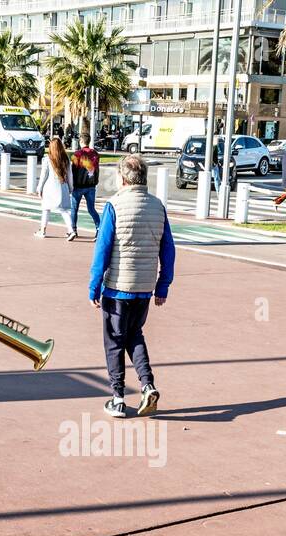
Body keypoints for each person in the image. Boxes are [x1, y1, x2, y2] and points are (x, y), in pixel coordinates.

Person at [88, 154, 175, 420]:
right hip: (144, 286)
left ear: (122, 178)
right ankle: (147, 384)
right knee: (134, 335)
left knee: (114, 341)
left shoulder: (114, 205)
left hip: (117, 287)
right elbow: (168, 249)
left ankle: (117, 397)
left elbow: (102, 249)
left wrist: (94, 285)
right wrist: (163, 285)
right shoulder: (158, 206)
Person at [36, 137, 77, 241]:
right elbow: (70, 175)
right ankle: (71, 230)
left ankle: (42, 230)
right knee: (63, 210)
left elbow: (43, 175)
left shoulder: (47, 159)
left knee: (46, 209)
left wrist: (39, 188)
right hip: (62, 187)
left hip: (49, 188)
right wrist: (70, 187)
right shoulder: (66, 159)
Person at [71, 138, 101, 231]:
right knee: (91, 209)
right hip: (91, 185)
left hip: (78, 186)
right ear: (89, 141)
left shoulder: (77, 154)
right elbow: (96, 169)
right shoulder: (95, 154)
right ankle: (99, 228)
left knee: (74, 209)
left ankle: (73, 230)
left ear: (81, 142)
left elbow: (73, 170)